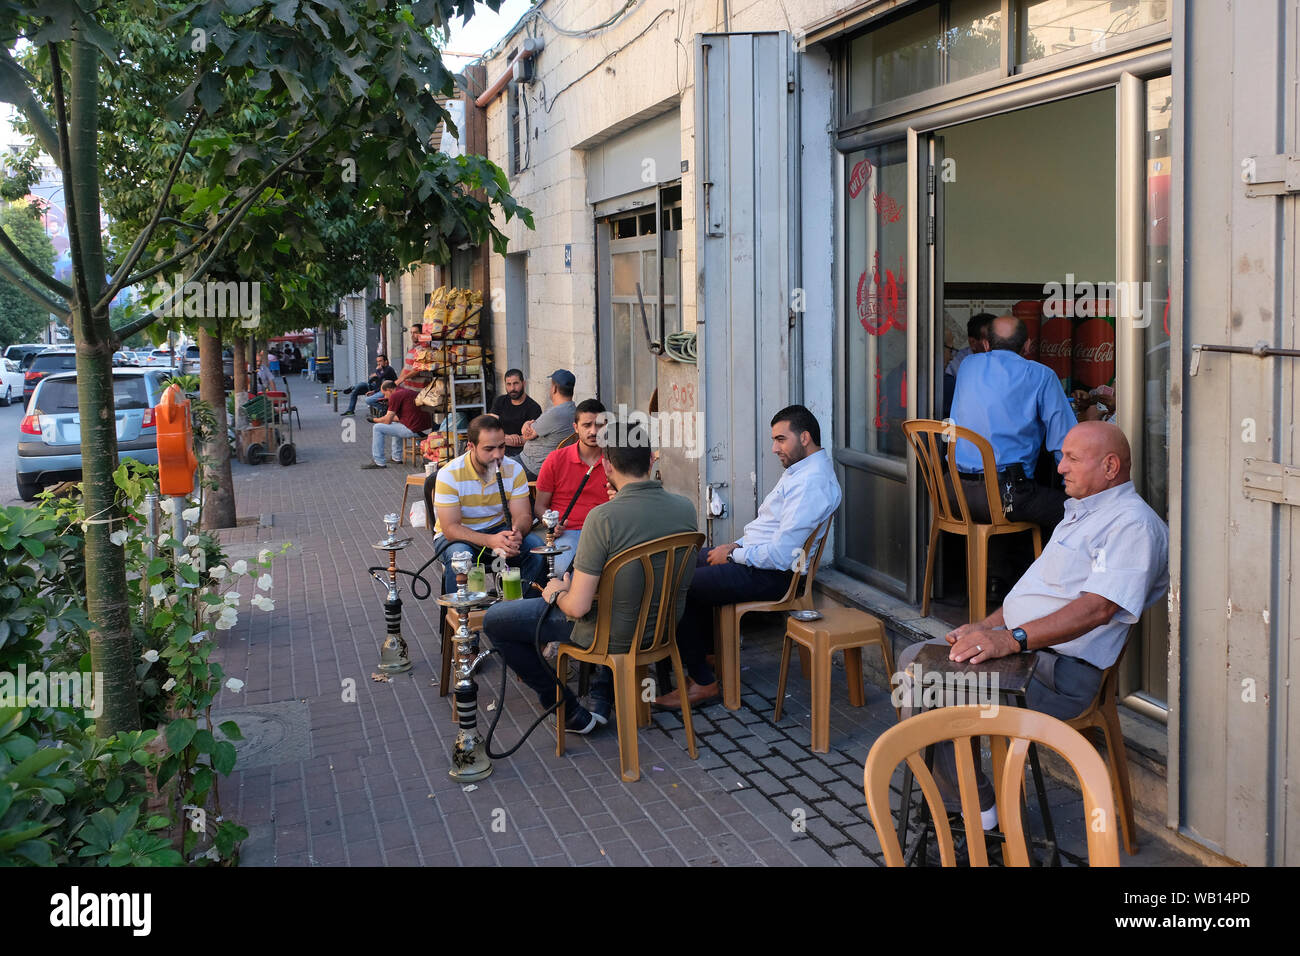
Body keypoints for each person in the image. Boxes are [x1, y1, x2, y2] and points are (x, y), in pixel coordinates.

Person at [894, 421, 1168, 828]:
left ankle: (982, 816)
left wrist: (1010, 640)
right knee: (914, 663)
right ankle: (965, 803)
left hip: (1059, 675)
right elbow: (1035, 595)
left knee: (928, 686)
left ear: (1110, 466)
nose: (1059, 468)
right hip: (1030, 657)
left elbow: (1098, 609)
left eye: (1072, 459)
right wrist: (984, 628)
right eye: (1062, 458)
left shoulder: (1131, 524)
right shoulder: (1082, 512)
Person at [482, 423, 698, 734]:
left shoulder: (603, 517)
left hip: (608, 631)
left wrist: (557, 591)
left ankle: (565, 708)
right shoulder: (685, 507)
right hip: (661, 628)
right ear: (652, 460)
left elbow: (578, 607)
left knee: (495, 620)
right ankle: (601, 693)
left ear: (607, 465)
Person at [657, 405, 842, 709]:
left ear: (805, 437)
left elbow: (783, 556)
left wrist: (734, 556)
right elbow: (766, 530)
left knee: (680, 585)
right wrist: (732, 549)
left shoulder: (812, 483)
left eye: (781, 439)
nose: (774, 448)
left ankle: (704, 683)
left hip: (776, 576)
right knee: (682, 563)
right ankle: (708, 654)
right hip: (759, 561)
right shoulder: (800, 471)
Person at [950, 314, 1076, 533]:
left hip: (954, 494)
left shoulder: (967, 365)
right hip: (1005, 497)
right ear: (1027, 345)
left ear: (986, 344)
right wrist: (1076, 489)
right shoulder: (1041, 375)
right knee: (1079, 513)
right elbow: (1066, 440)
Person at [431, 415, 546, 597]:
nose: (498, 455)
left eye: (501, 447)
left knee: (536, 548)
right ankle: (463, 618)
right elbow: (451, 528)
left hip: (498, 530)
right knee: (460, 556)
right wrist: (490, 541)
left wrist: (516, 532)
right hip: (457, 537)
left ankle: (520, 609)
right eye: (489, 449)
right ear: (471, 446)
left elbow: (523, 515)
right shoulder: (449, 474)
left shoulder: (514, 469)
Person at [533, 399, 611, 576]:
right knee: (565, 570)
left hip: (608, 532)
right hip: (569, 532)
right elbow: (539, 507)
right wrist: (551, 523)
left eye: (599, 425)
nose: (593, 431)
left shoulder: (615, 459)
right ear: (575, 427)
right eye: (587, 425)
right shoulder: (555, 459)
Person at [518, 369, 577, 479]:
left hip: (533, 467)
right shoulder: (574, 410)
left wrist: (526, 424)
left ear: (554, 389)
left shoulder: (554, 414)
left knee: (495, 469)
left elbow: (526, 435)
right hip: (552, 465)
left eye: (551, 386)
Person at [361, 380, 430, 469]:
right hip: (424, 428)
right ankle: (396, 457)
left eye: (385, 394)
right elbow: (398, 418)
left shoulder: (395, 395)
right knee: (396, 424)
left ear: (389, 390)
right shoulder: (406, 391)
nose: (385, 397)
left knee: (377, 428)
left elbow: (387, 421)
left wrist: (374, 419)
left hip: (414, 429)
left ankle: (379, 462)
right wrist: (385, 418)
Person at [942, 313, 994, 416]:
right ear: (973, 342)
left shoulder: (1004, 363)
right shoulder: (955, 366)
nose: (997, 345)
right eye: (991, 341)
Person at [489, 368, 543, 461]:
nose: (512, 388)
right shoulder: (500, 401)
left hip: (522, 454)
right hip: (499, 448)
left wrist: (497, 438)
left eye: (516, 383)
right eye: (508, 384)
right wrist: (506, 437)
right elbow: (488, 427)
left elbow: (526, 439)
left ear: (524, 383)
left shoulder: (534, 408)